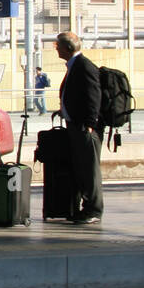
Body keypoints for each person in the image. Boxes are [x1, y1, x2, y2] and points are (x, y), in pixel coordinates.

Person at [55, 32, 103, 225]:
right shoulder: (74, 66)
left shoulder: (84, 67)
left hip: (84, 128)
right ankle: (86, 207)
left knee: (90, 170)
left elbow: (93, 96)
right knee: (82, 169)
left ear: (67, 48)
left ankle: (94, 209)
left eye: (57, 46)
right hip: (75, 125)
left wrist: (91, 124)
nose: (56, 49)